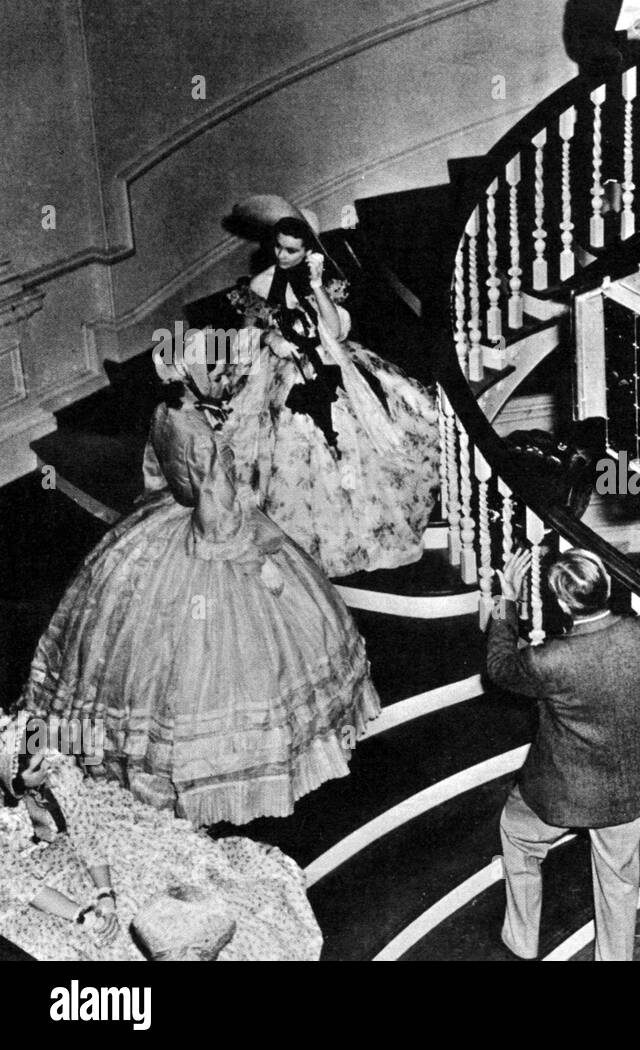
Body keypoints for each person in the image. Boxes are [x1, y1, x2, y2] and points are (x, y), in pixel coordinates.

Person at [21, 346, 380, 825]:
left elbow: (155, 472)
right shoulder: (198, 431)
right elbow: (218, 520)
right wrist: (260, 563)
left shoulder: (166, 414)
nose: (220, 374)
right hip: (215, 538)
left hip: (165, 520)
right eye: (210, 368)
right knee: (225, 658)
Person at [0, 713, 322, 961]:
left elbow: (87, 834)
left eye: (44, 757)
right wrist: (81, 914)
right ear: (12, 777)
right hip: (35, 877)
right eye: (36, 767)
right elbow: (22, 883)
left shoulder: (56, 771)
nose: (48, 766)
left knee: (167, 886)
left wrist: (105, 893)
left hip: (85, 843)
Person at [226, 212, 441, 578]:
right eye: (277, 247)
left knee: (357, 419)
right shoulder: (260, 284)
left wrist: (317, 286)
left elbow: (336, 331)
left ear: (308, 250)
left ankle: (367, 523)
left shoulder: (323, 279)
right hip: (282, 369)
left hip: (330, 358)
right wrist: (267, 338)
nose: (281, 256)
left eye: (292, 250)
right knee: (297, 434)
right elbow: (244, 339)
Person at [486, 548, 640, 960]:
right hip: (629, 788)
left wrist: (508, 598)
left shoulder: (547, 659)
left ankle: (521, 939)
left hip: (562, 792)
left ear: (564, 602)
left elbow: (498, 668)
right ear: (605, 585)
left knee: (516, 834)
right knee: (619, 881)